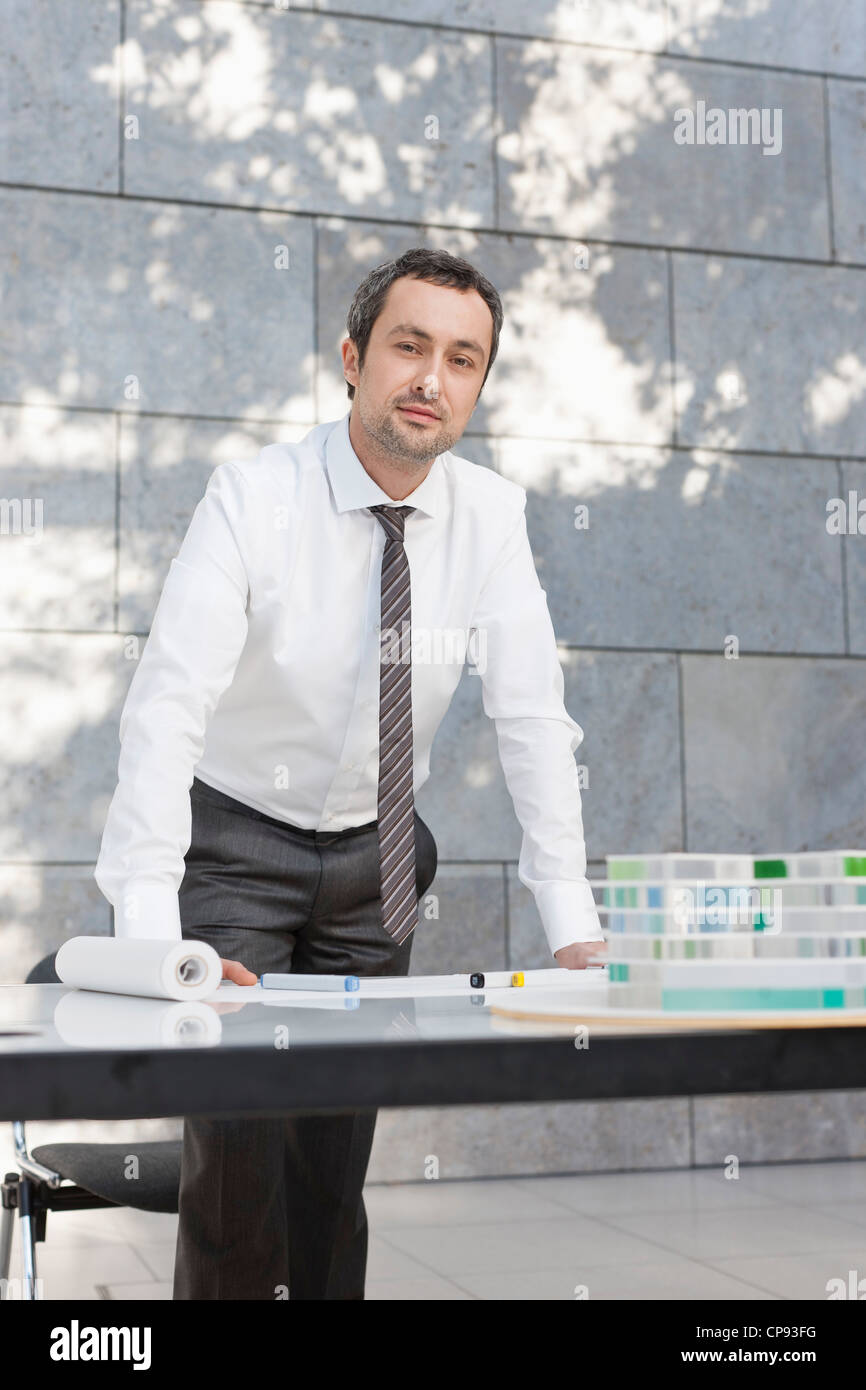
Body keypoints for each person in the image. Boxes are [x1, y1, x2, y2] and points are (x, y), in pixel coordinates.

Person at [94, 246, 606, 1300]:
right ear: (351, 358)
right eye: (408, 346)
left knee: (331, 1164)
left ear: (477, 384)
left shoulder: (490, 517)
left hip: (377, 860)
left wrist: (569, 914)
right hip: (234, 850)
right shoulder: (251, 497)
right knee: (237, 1164)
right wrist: (148, 932)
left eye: (462, 359)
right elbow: (166, 706)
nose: (431, 378)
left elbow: (530, 718)